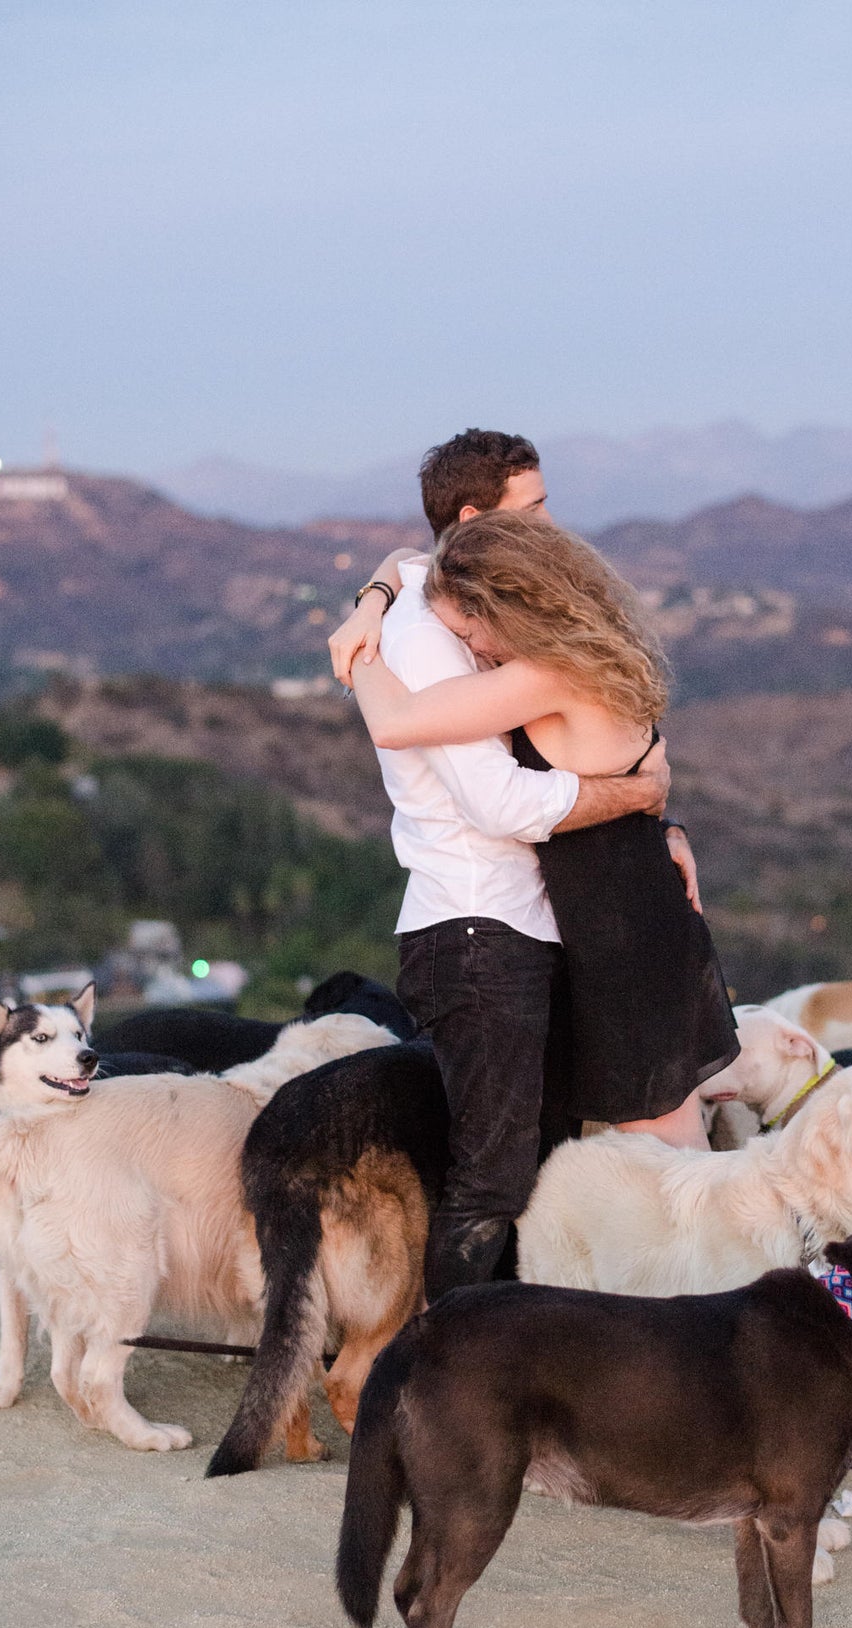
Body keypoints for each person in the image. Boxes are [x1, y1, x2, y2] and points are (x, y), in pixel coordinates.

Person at [334, 430, 676, 1301]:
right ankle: (446, 1363)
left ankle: (521, 1355)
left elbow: (408, 560)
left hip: (529, 924)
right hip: (478, 928)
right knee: (493, 1180)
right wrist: (633, 794)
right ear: (474, 518)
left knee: (541, 1170)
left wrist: (373, 591)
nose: (551, 523)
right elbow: (501, 804)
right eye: (534, 508)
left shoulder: (454, 595)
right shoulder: (432, 634)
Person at [352, 511, 739, 1152]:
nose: (473, 650)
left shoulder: (546, 676)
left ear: (505, 605)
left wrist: (356, 641)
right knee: (657, 1156)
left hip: (624, 936)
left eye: (467, 631)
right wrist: (374, 597)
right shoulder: (590, 652)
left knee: (671, 1162)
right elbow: (405, 559)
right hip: (627, 915)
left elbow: (395, 724)